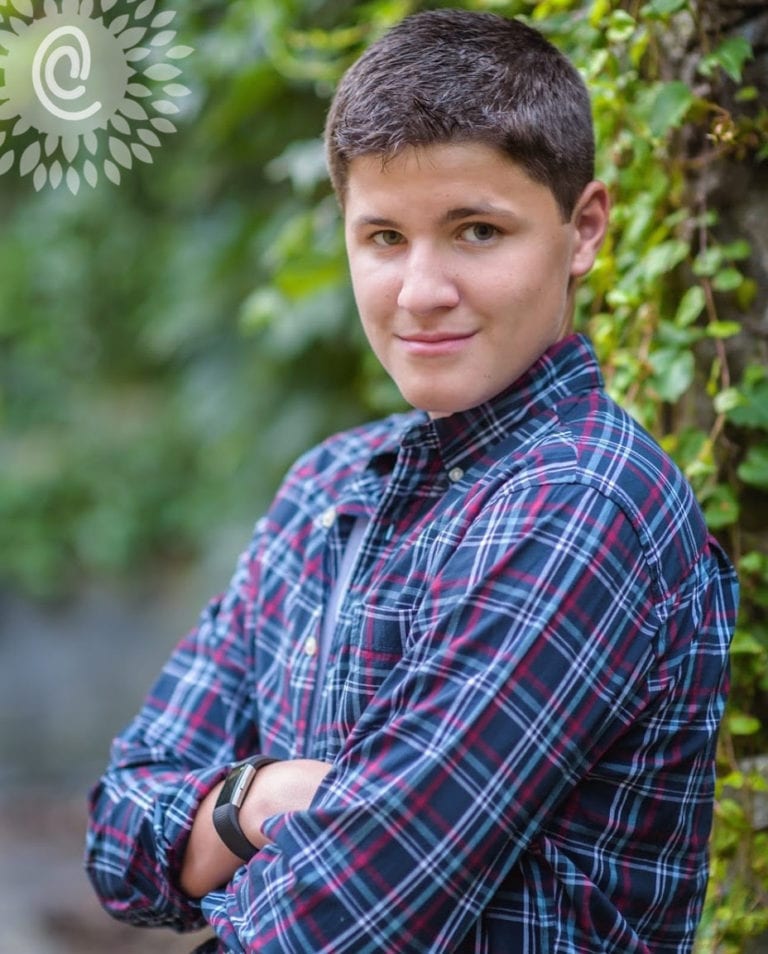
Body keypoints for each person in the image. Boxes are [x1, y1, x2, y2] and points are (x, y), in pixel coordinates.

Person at [85, 9, 739, 953]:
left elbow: (339, 920)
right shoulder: (328, 490)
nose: (420, 290)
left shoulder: (588, 503)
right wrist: (261, 800)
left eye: (477, 231)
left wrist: (229, 828)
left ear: (584, 228)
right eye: (384, 237)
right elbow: (115, 841)